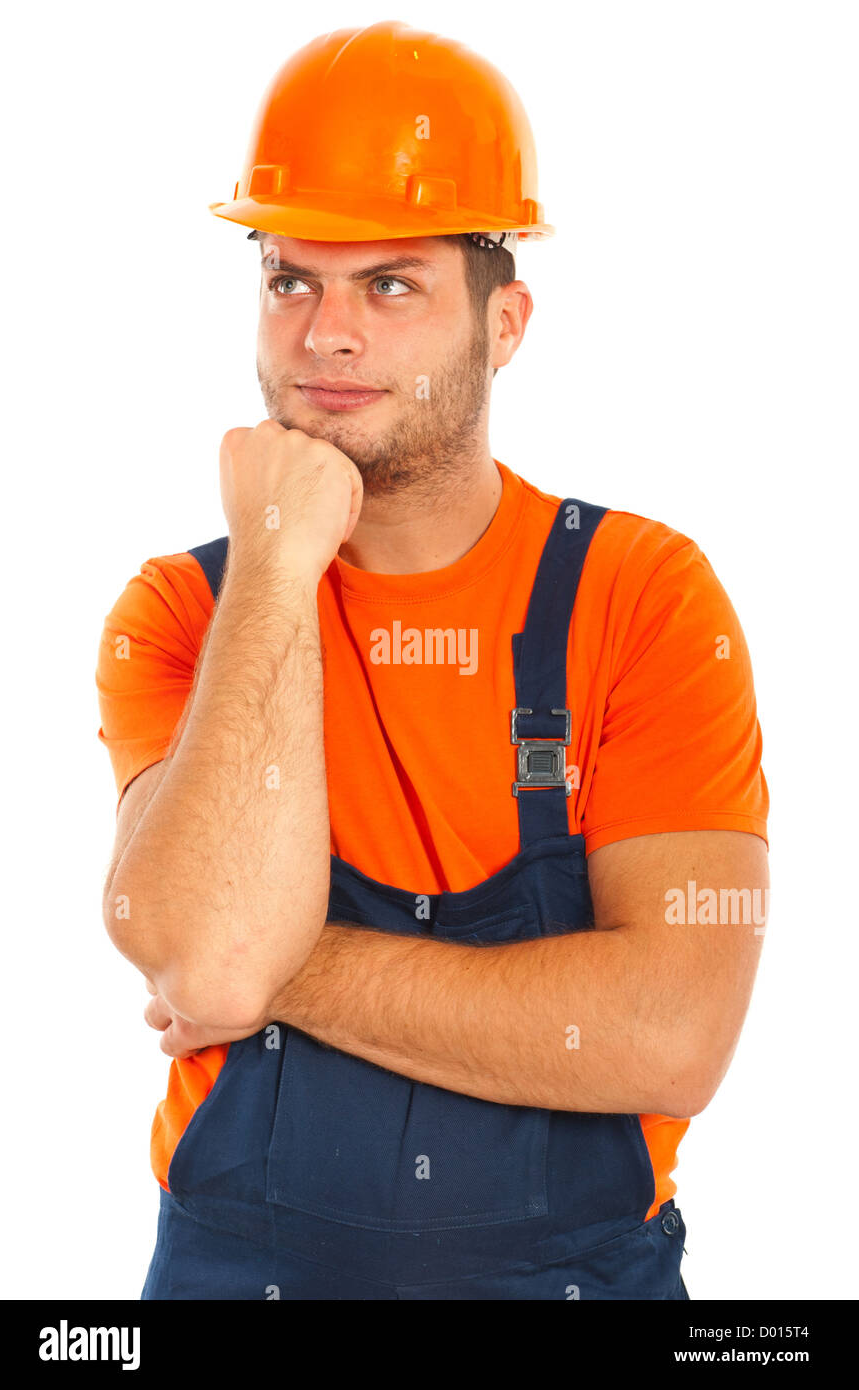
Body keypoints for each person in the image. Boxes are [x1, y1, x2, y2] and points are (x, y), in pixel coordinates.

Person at [95, 21, 769, 1301]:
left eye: (390, 285)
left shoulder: (643, 598)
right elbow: (201, 960)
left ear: (504, 321)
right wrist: (280, 562)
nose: (325, 337)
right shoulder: (186, 605)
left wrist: (278, 970)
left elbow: (672, 1033)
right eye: (290, 280)